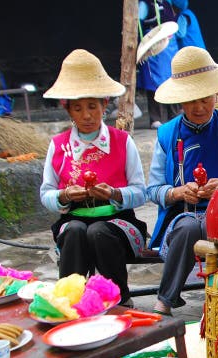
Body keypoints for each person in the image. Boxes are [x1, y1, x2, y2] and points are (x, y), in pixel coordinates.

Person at [147, 47, 218, 316]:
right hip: (184, 215)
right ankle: (165, 300)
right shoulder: (167, 134)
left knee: (217, 227)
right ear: (180, 101)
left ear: (216, 94)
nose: (199, 107)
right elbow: (153, 190)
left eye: (205, 98)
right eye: (191, 100)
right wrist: (178, 192)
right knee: (189, 228)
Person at [39, 50, 147, 308]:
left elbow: (141, 192)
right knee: (75, 231)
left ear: (104, 105)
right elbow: (46, 193)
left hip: (119, 222)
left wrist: (114, 193)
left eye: (92, 106)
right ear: (68, 110)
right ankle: (70, 301)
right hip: (73, 220)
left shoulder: (122, 141)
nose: (86, 115)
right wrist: (64, 195)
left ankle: (118, 299)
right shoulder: (58, 145)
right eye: (78, 108)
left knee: (98, 231)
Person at [138, 0, 181, 129]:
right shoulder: (145, 4)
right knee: (154, 82)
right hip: (154, 46)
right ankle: (156, 118)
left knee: (172, 80)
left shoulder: (167, 3)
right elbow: (138, 22)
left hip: (170, 46)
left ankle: (174, 115)